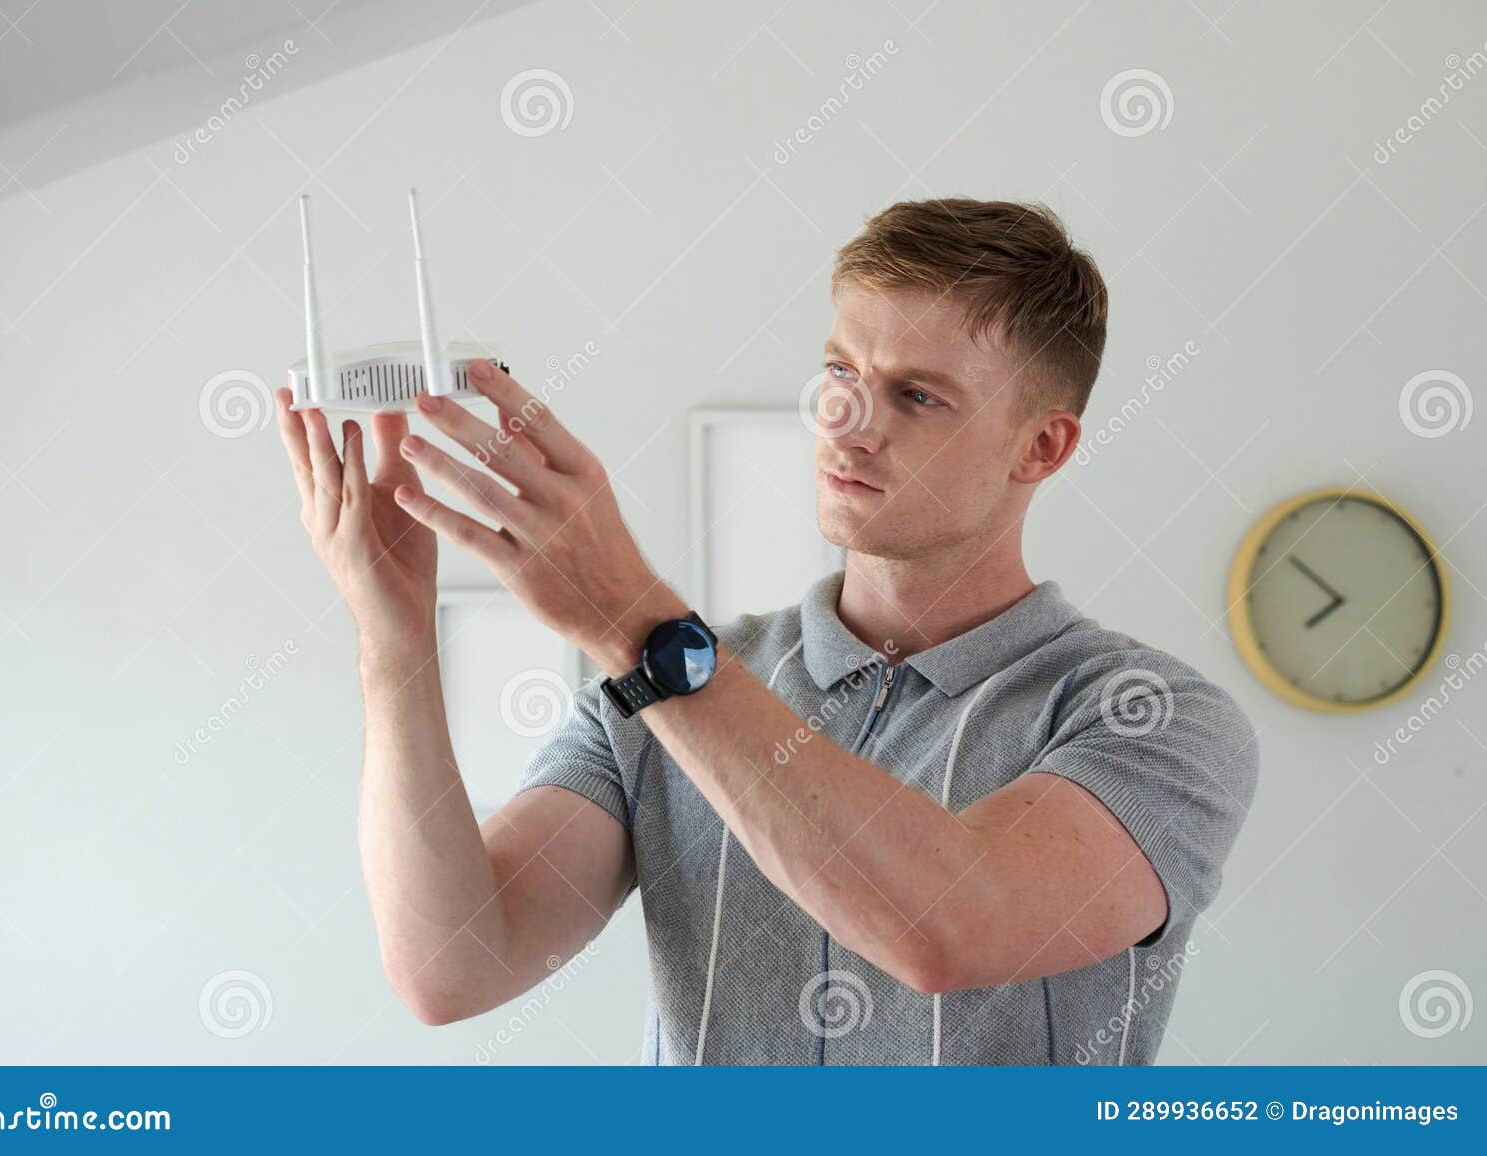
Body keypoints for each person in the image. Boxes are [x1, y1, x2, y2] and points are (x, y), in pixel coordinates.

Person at [272, 196, 1258, 1065]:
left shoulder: (1151, 721)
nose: (846, 421)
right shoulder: (653, 697)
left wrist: (635, 621)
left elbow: (948, 927)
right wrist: (392, 637)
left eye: (917, 395)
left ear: (1040, 446)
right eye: (840, 369)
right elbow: (453, 968)